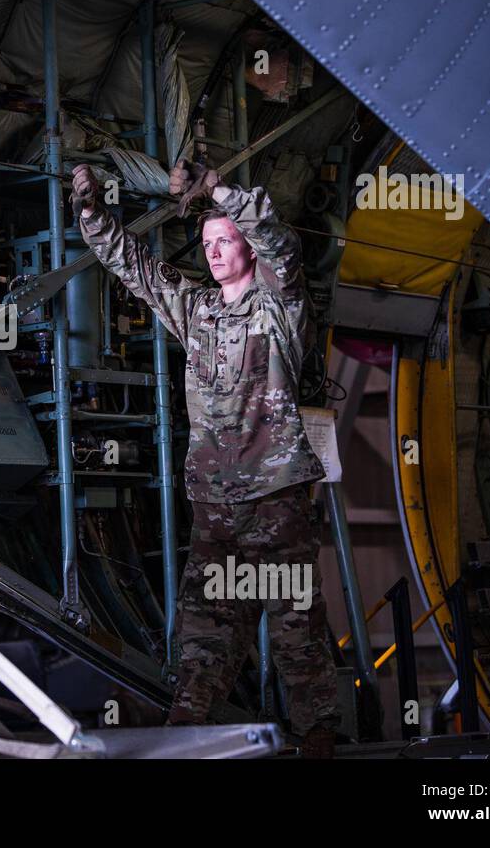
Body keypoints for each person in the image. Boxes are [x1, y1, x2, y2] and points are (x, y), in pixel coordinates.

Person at [71, 159, 339, 757]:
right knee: (206, 638)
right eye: (209, 243)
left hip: (274, 500)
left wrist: (217, 190)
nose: (214, 252)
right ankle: (186, 740)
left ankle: (323, 742)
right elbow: (136, 268)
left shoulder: (280, 310)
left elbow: (282, 243)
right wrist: (93, 214)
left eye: (226, 242)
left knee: (296, 630)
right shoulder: (198, 313)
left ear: (247, 249)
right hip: (215, 506)